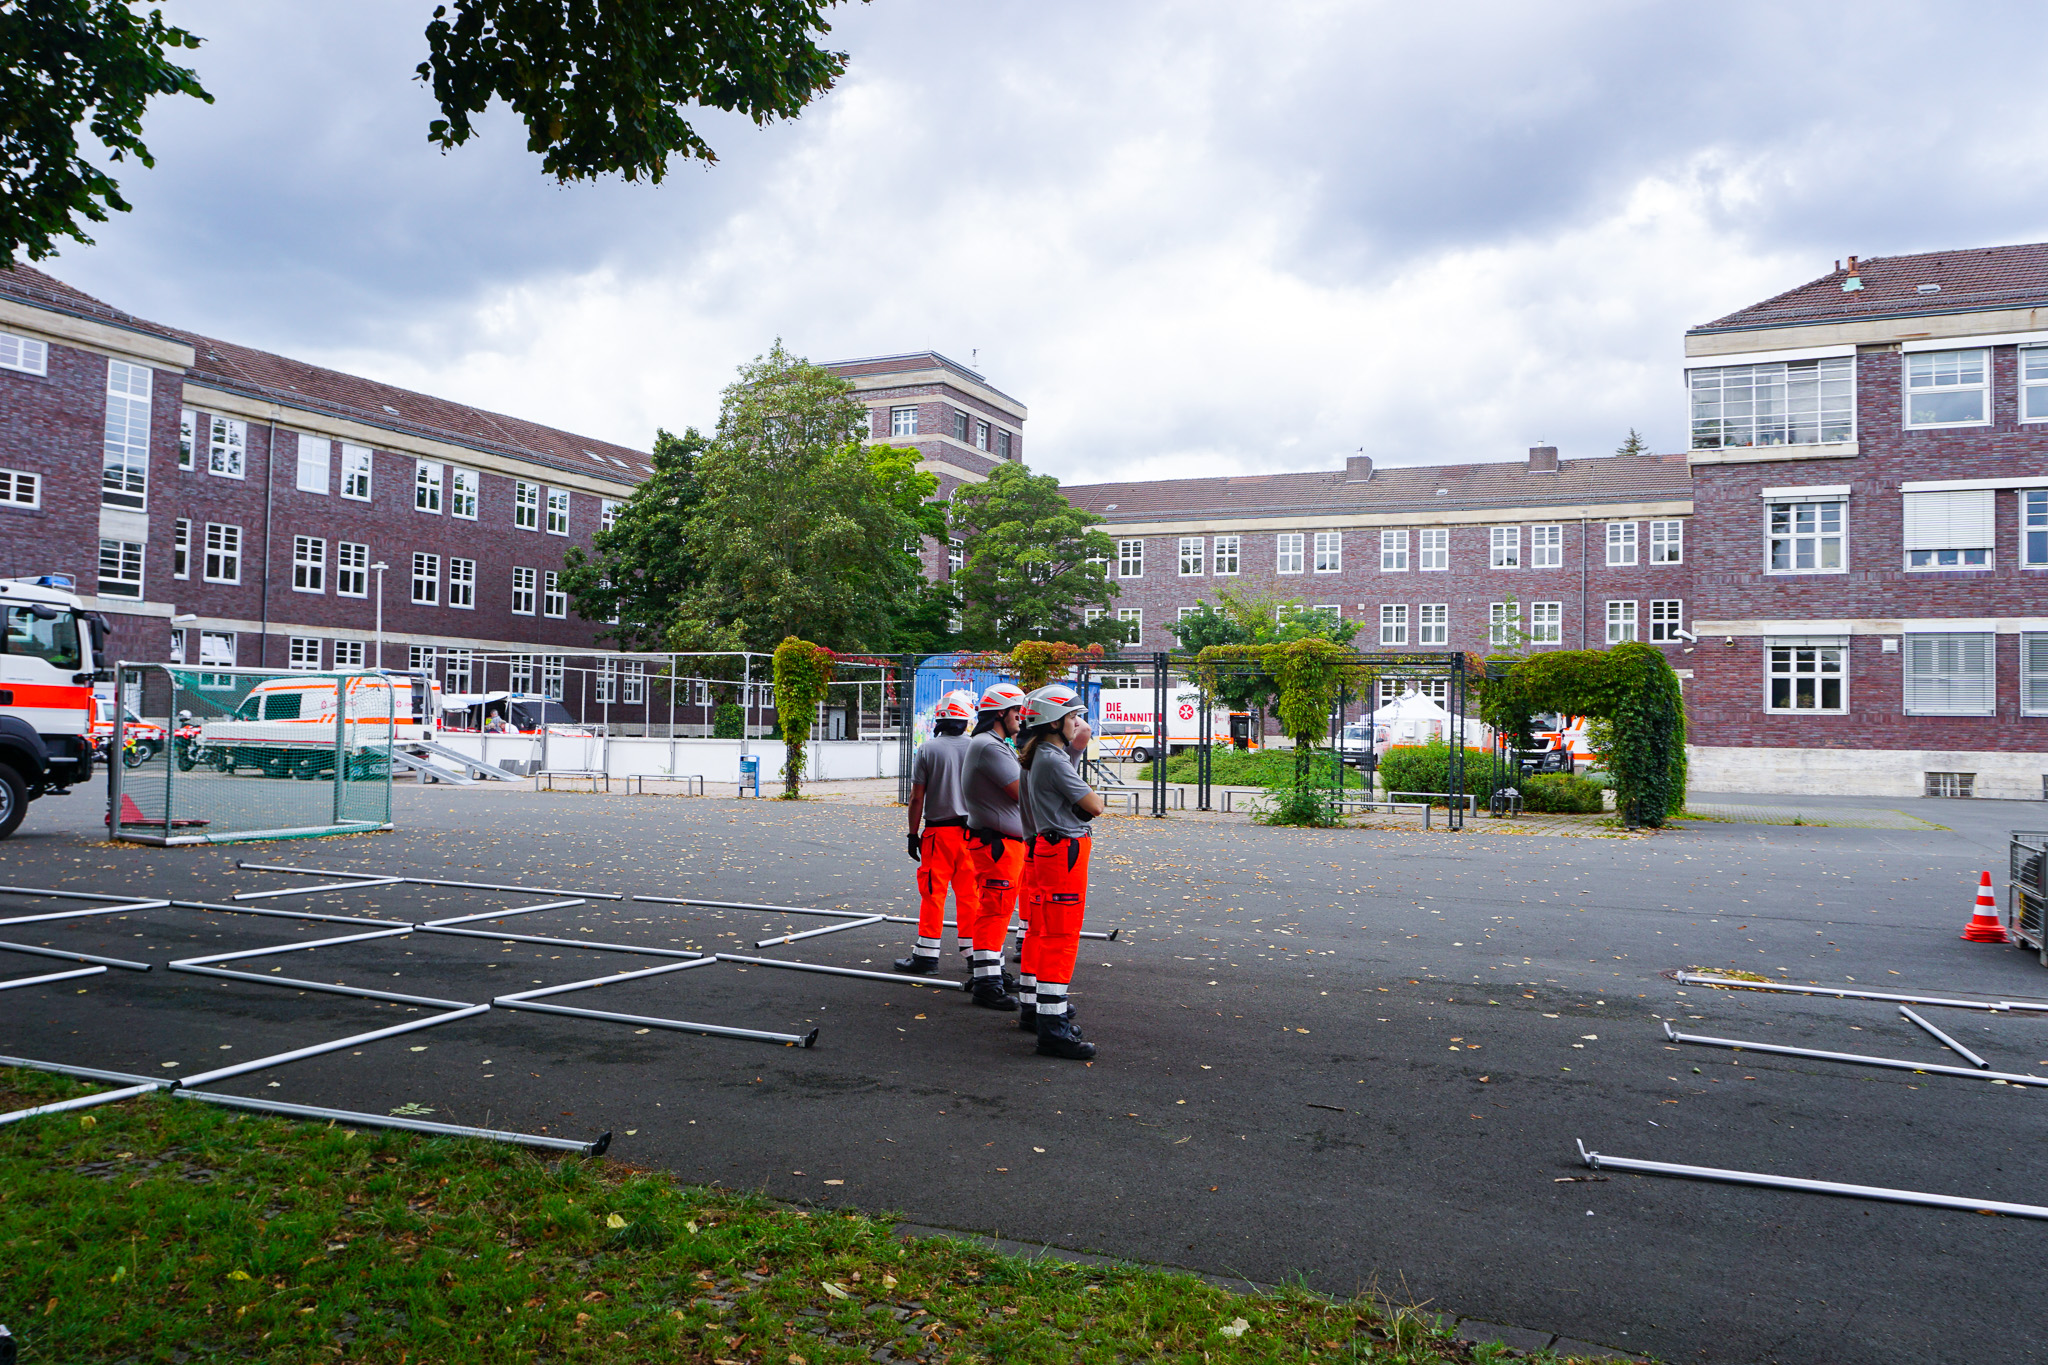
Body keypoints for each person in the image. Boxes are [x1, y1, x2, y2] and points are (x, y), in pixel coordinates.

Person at [1016, 683, 1106, 1060]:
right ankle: (1053, 1030)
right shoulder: (1053, 759)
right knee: (1061, 937)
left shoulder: (1038, 755)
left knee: (1042, 931)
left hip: (1047, 848)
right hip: (1062, 850)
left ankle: (1038, 1011)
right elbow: (1095, 805)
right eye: (1071, 716)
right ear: (1053, 722)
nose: (1076, 722)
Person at [897, 689, 981, 975]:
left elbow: (917, 798)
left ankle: (926, 956)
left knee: (933, 894)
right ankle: (974, 956)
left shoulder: (928, 749)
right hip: (972, 834)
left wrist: (912, 833)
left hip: (938, 834)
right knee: (970, 895)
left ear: (940, 720)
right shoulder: (977, 747)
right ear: (966, 720)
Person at [962, 681, 1029, 1009]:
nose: (1022, 717)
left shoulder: (991, 743)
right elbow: (1022, 792)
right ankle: (987, 984)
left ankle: (990, 972)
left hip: (999, 843)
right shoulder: (990, 746)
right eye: (1018, 711)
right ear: (1001, 713)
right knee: (995, 910)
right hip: (998, 845)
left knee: (996, 909)